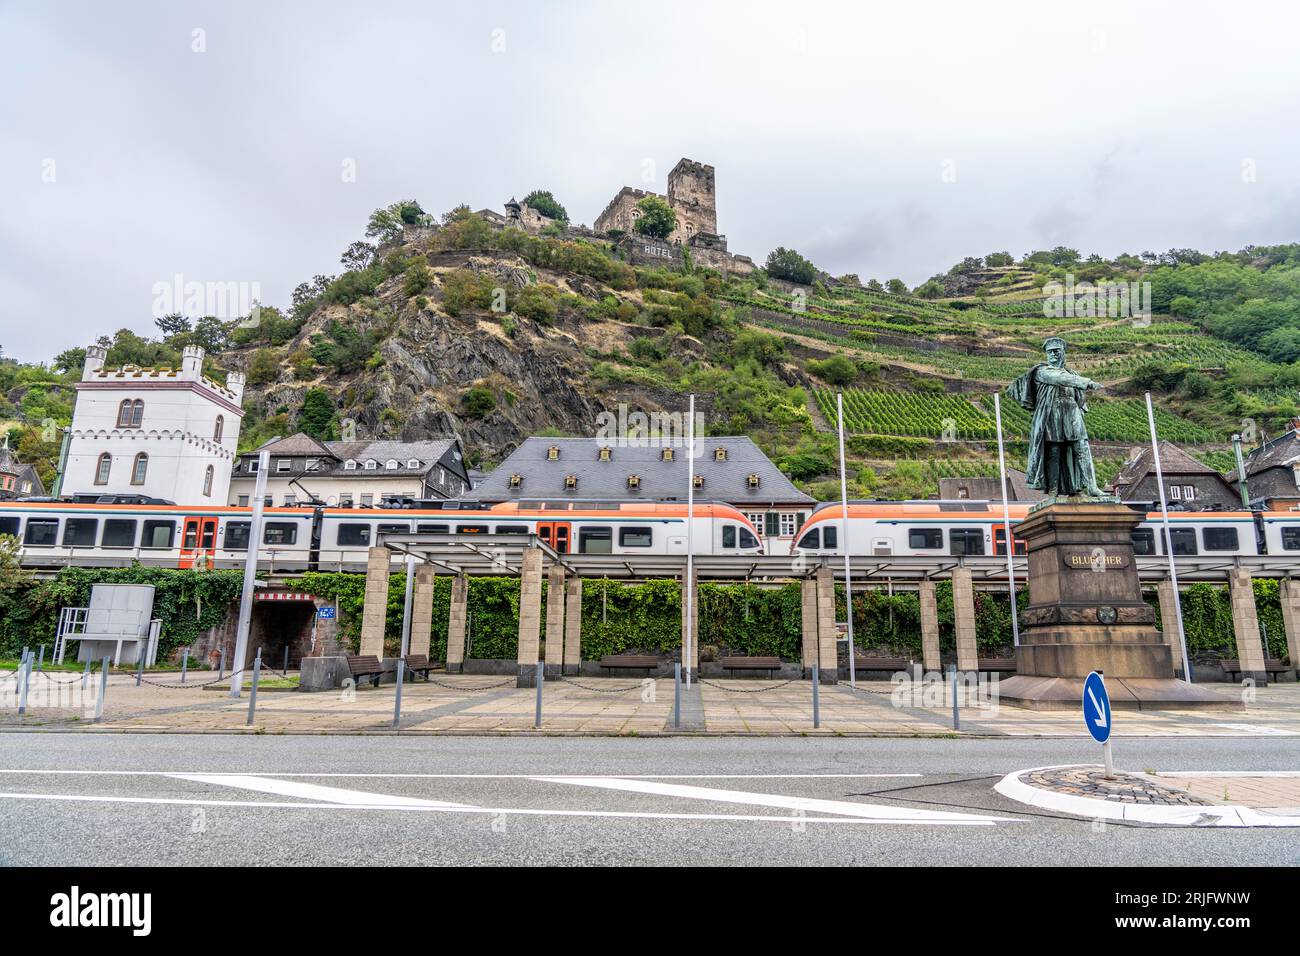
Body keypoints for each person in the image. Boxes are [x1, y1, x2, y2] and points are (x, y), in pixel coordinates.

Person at [1006, 337, 1105, 497]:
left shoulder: (1072, 373)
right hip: (1052, 415)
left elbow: (1079, 399)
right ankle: (1053, 489)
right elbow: (1060, 378)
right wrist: (1088, 382)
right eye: (1049, 352)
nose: (1052, 354)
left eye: (1056, 351)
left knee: (1082, 448)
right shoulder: (1042, 371)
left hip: (1072, 413)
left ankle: (1091, 486)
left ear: (1063, 352)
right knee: (1054, 451)